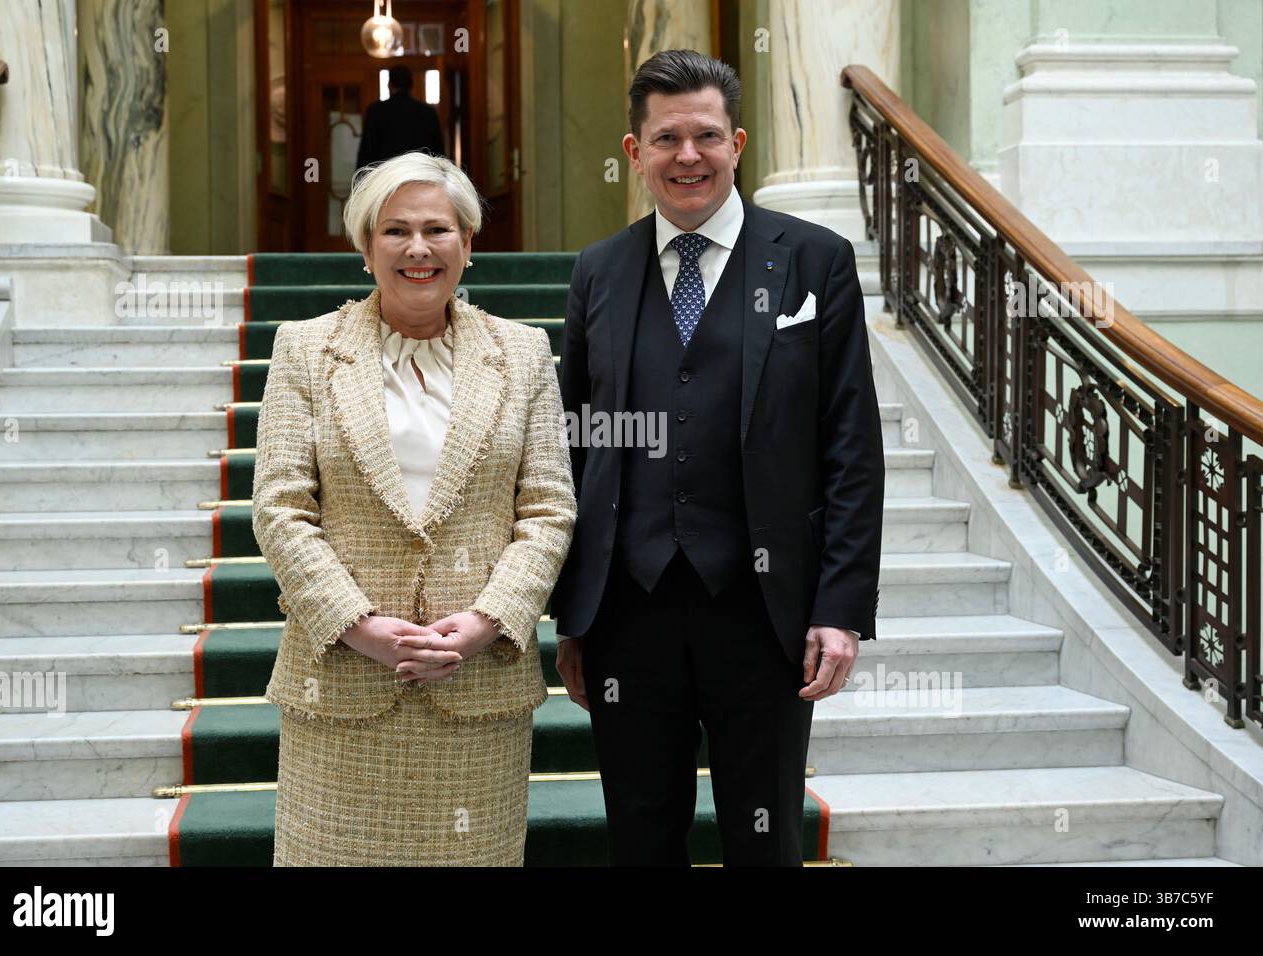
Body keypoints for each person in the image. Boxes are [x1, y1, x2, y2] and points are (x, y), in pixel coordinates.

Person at [549, 49, 885, 866]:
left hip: (765, 614)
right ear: (635, 153)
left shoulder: (815, 261)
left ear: (737, 144)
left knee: (764, 836)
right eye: (666, 139)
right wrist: (573, 613)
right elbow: (574, 441)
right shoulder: (599, 271)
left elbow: (850, 444)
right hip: (629, 611)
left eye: (705, 136)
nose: (687, 156)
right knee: (641, 835)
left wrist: (838, 607)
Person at [252, 152, 575, 866]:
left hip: (477, 687)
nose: (418, 248)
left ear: (468, 243)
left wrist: (484, 622)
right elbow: (280, 508)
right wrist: (358, 625)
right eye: (395, 230)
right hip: (340, 687)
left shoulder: (523, 354)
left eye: (438, 229)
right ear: (366, 248)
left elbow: (549, 509)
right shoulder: (305, 349)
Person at [356, 65, 445, 170]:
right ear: (411, 85)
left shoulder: (376, 111)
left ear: (389, 85)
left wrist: (360, 181)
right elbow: (438, 153)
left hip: (385, 177)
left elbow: (367, 151)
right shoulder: (428, 112)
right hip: (419, 174)